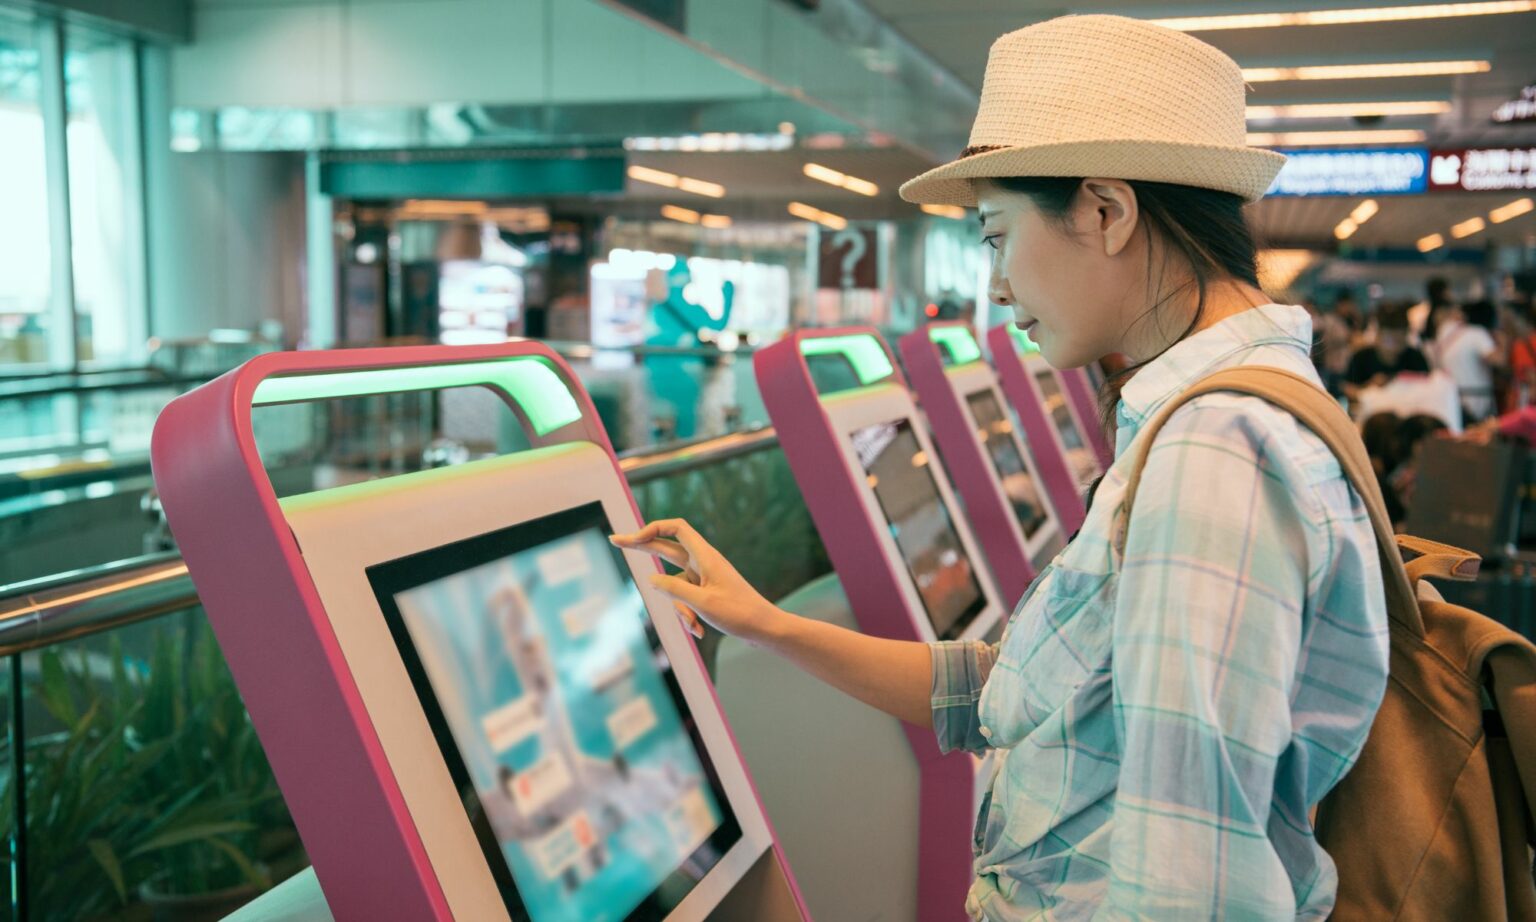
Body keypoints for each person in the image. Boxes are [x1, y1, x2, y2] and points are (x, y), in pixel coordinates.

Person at [614, 15, 1389, 919]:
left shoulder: (1214, 453)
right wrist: (768, 626)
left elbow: (1193, 878)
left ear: (1105, 211)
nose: (997, 286)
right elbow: (1014, 694)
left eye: (995, 235)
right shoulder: (1210, 418)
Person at [644, 261, 734, 439]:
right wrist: (729, 292)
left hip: (655, 374)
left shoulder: (657, 309)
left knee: (660, 424)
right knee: (685, 426)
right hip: (685, 374)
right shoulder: (687, 308)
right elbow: (719, 324)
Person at [1343, 300, 1430, 403]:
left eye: (1400, 341)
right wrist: (1368, 387)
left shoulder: (1416, 357)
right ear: (1377, 336)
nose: (1394, 347)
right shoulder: (1361, 358)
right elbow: (1347, 389)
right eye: (1388, 341)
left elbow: (1428, 388)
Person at [1431, 300, 1503, 424]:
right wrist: (1502, 339)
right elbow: (1498, 360)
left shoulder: (1445, 331)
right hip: (1477, 399)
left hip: (1450, 397)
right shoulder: (1478, 333)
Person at [1503, 299, 1536, 412]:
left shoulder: (1522, 345)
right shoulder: (1519, 343)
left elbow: (1530, 376)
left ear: (1520, 319)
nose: (1504, 325)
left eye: (1507, 320)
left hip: (1526, 407)